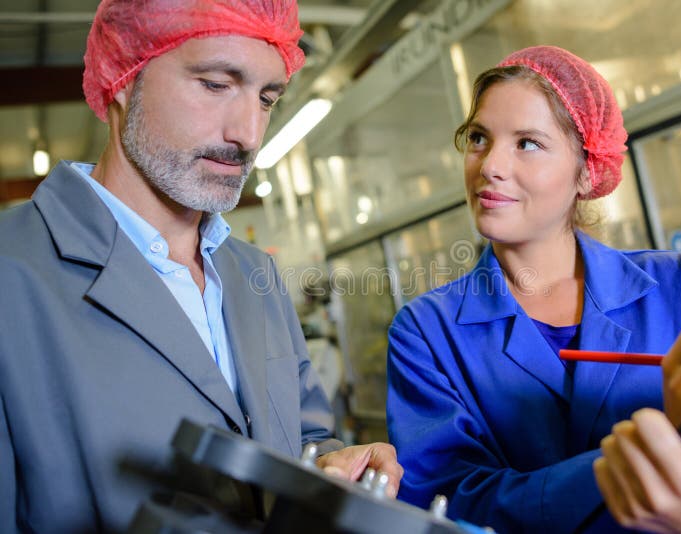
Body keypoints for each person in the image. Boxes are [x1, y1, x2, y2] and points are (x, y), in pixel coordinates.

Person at [0, 1, 401, 532]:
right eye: (215, 84)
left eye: (266, 98)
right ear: (124, 78)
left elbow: (303, 440)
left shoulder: (254, 276)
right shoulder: (14, 273)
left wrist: (332, 466)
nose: (248, 134)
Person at [386, 45, 681, 533]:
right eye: (479, 137)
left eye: (528, 143)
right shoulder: (425, 331)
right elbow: (446, 500)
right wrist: (649, 461)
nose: (490, 165)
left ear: (586, 171)